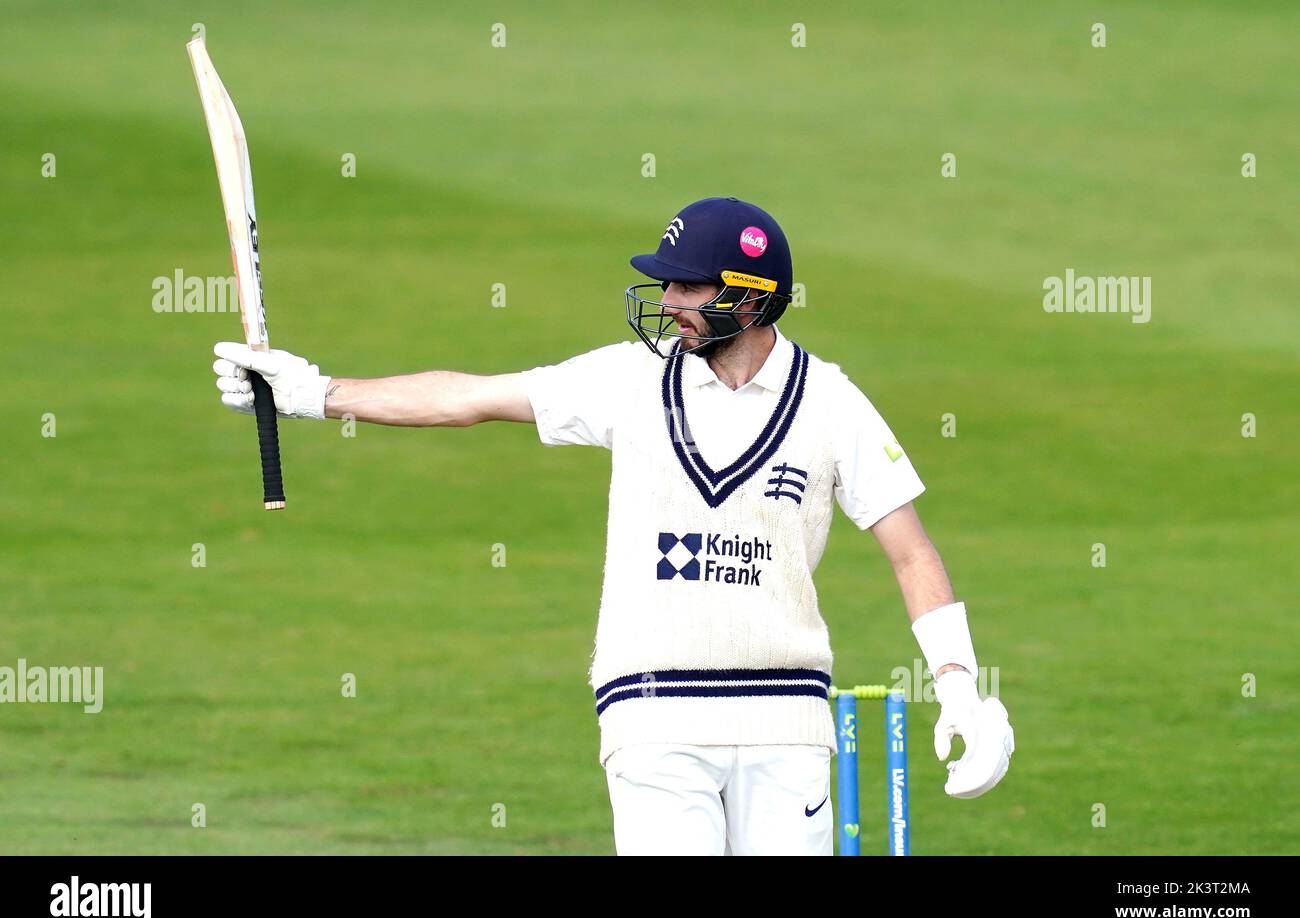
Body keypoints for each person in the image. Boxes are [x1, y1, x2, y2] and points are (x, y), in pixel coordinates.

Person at [211, 196, 1014, 855]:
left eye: (688, 289)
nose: (667, 304)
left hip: (787, 718)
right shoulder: (628, 381)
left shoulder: (831, 400)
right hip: (652, 709)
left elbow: (911, 552)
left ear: (751, 294)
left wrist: (959, 688)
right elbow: (471, 397)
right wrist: (314, 393)